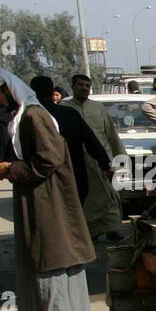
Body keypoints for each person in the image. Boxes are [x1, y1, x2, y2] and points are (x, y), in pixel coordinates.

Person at [0, 69, 96, 311]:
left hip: (49, 197)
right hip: (37, 194)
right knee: (47, 256)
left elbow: (49, 158)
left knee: (51, 256)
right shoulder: (25, 116)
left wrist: (12, 168)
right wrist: (8, 169)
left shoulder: (34, 115)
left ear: (8, 90)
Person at [29, 74, 111, 214]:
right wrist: (105, 164)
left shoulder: (30, 116)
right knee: (73, 213)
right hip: (74, 173)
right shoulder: (69, 113)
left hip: (44, 176)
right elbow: (91, 141)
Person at [62, 72, 126, 241]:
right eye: (80, 85)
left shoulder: (98, 108)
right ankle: (90, 232)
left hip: (103, 161)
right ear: (73, 87)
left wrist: (121, 158)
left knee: (110, 196)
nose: (84, 88)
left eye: (87, 86)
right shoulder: (65, 109)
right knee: (87, 199)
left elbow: (111, 135)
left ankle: (113, 228)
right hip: (79, 162)